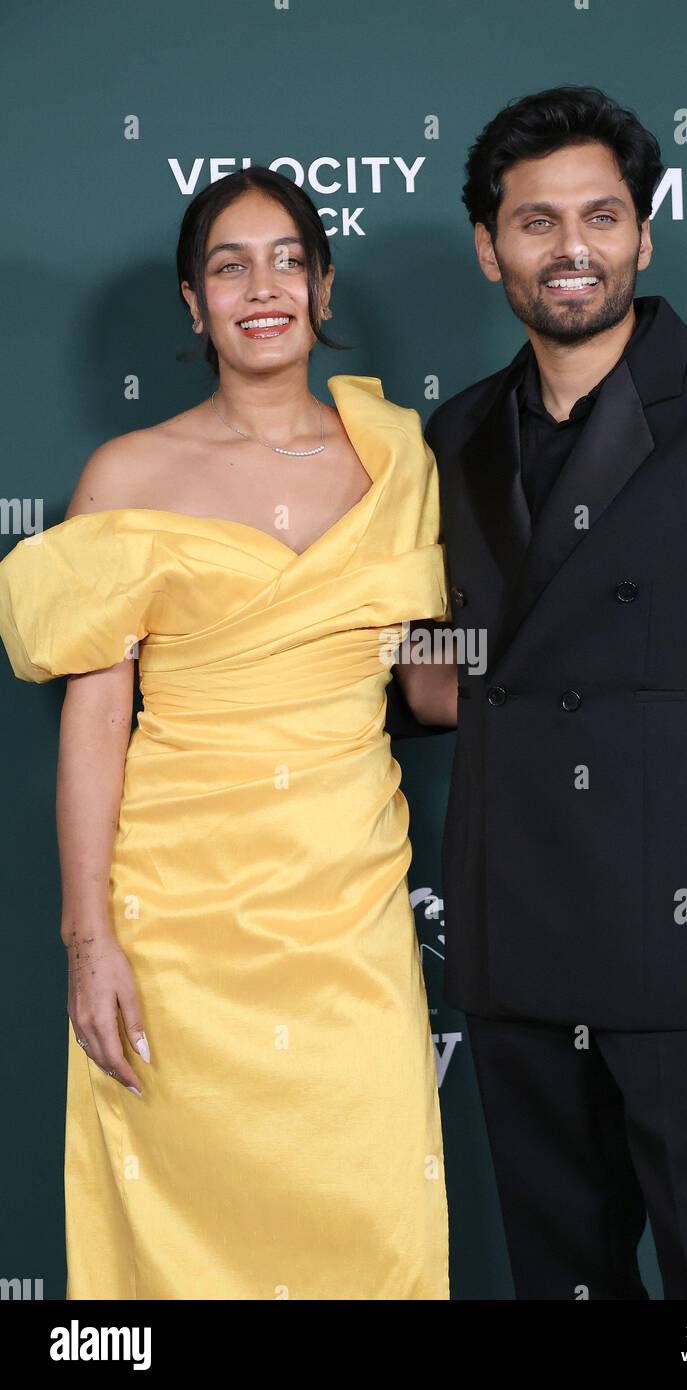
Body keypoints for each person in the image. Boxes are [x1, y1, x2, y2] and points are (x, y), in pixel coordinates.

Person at [388, 86, 687, 1300]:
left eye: (599, 217)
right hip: (513, 944)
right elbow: (449, 670)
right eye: (535, 221)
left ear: (642, 236)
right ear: (488, 247)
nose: (572, 248)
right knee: (560, 1281)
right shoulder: (455, 434)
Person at [0, 165, 456, 1300]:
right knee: (182, 1233)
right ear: (193, 303)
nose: (263, 288)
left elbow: (435, 687)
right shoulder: (129, 473)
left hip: (349, 906)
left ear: (324, 287)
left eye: (288, 260)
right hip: (178, 920)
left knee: (373, 1217)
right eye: (229, 266)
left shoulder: (395, 459)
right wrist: (89, 939)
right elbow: (95, 720)